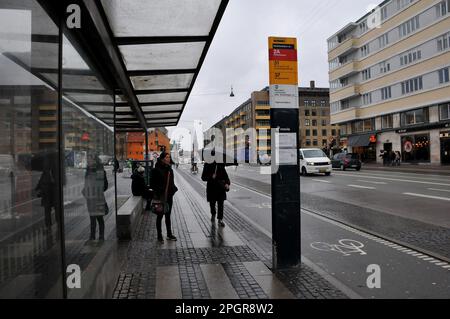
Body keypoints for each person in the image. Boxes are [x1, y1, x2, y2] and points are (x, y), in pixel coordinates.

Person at [150, 152, 178, 242]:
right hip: (160, 196)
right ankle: (159, 235)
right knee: (160, 216)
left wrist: (173, 190)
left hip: (169, 196)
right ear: (162, 158)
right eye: (166, 157)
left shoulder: (170, 170)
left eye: (169, 157)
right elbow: (152, 184)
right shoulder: (156, 170)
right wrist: (159, 191)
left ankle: (169, 234)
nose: (168, 159)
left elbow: (171, 183)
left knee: (168, 215)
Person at [83, 155, 108, 241]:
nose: (88, 162)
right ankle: (95, 236)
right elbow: (86, 185)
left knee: (97, 218)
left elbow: (104, 186)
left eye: (90, 160)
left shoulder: (96, 171)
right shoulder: (90, 171)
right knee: (95, 218)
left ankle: (97, 236)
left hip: (95, 198)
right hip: (94, 198)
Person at [201, 158, 230, 227]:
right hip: (212, 188)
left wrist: (227, 183)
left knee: (221, 204)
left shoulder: (220, 164)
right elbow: (203, 177)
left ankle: (220, 219)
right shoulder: (207, 164)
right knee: (212, 203)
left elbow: (226, 176)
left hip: (220, 188)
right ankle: (213, 214)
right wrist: (211, 176)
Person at [36, 158, 57, 229]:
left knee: (49, 210)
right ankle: (48, 225)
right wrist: (37, 188)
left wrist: (38, 188)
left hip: (50, 193)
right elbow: (41, 182)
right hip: (47, 194)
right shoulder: (46, 172)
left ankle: (49, 225)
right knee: (48, 210)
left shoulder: (50, 172)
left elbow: (41, 182)